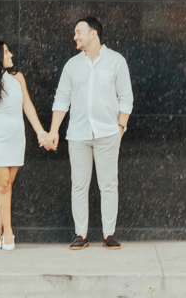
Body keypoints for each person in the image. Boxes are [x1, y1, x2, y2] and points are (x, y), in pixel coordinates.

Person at [41, 16, 134, 250]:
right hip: (78, 134)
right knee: (79, 184)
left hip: (108, 133)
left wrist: (120, 128)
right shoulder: (72, 65)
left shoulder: (116, 61)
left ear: (94, 33)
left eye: (79, 31)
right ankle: (80, 235)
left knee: (108, 184)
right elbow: (61, 99)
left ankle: (109, 234)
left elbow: (126, 97)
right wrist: (54, 131)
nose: (75, 36)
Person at [0, 40, 49, 251]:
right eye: (7, 52)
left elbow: (27, 105)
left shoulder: (18, 78)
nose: (11, 55)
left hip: (17, 138)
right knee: (3, 185)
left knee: (6, 187)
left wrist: (40, 132)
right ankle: (8, 232)